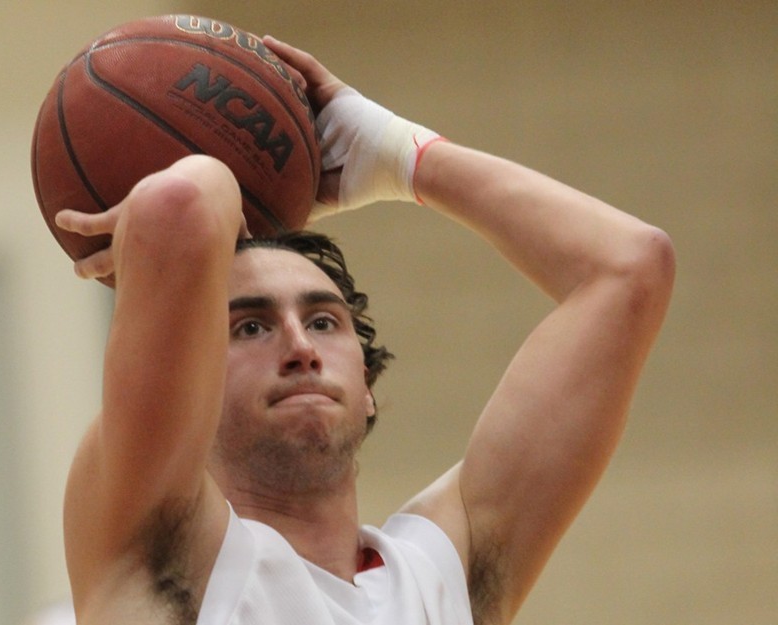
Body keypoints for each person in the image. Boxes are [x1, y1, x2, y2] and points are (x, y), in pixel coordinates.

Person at [51, 35, 675, 625]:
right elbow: (180, 207)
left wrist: (401, 156)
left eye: (323, 321)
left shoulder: (442, 572)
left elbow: (629, 267)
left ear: (369, 383)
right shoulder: (159, 549)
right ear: (191, 387)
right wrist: (236, 177)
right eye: (249, 328)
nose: (299, 348)